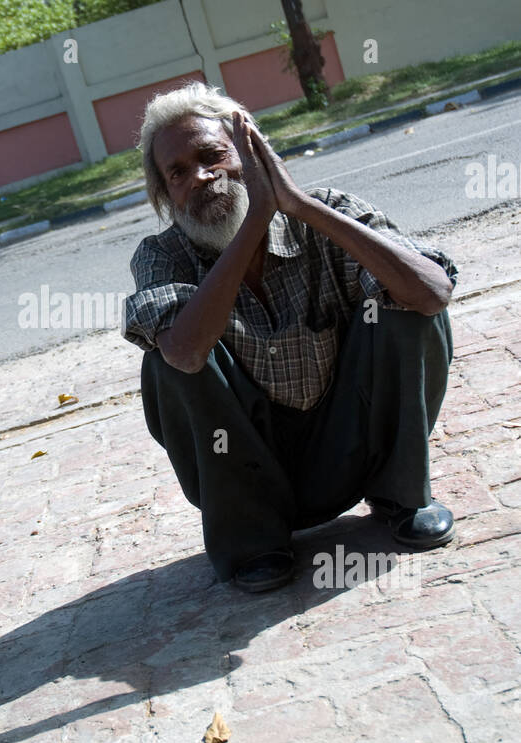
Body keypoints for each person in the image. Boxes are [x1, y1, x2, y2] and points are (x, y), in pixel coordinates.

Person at [123, 83, 457, 592]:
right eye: (178, 173)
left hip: (349, 451)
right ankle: (252, 542)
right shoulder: (162, 255)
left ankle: (402, 494)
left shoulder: (323, 212)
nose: (201, 177)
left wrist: (295, 203)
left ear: (252, 152)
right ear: (166, 195)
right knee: (169, 357)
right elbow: (187, 352)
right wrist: (256, 219)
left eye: (212, 156)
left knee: (401, 299)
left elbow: (433, 292)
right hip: (250, 473)